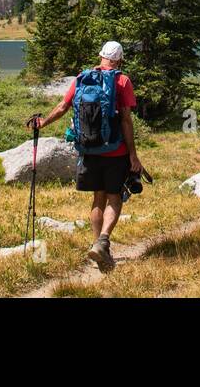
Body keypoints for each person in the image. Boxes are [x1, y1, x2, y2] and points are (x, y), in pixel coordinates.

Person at [28, 40, 142, 270]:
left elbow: (63, 106)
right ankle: (103, 242)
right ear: (119, 59)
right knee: (114, 197)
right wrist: (133, 155)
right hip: (115, 151)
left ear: (101, 56)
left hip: (88, 151)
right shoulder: (122, 81)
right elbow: (126, 120)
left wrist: (43, 122)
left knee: (97, 198)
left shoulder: (82, 78)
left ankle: (96, 244)